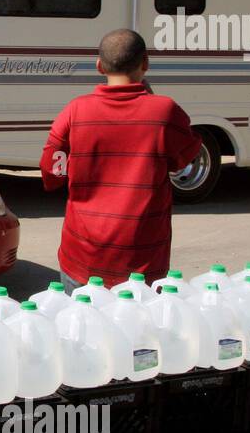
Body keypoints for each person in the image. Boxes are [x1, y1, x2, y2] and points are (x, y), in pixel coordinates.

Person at [39, 28, 202, 293]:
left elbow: (52, 174)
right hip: (144, 265)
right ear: (146, 63)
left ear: (99, 66)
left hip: (81, 257)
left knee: (81, 332)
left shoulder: (74, 111)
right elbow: (185, 160)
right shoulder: (165, 112)